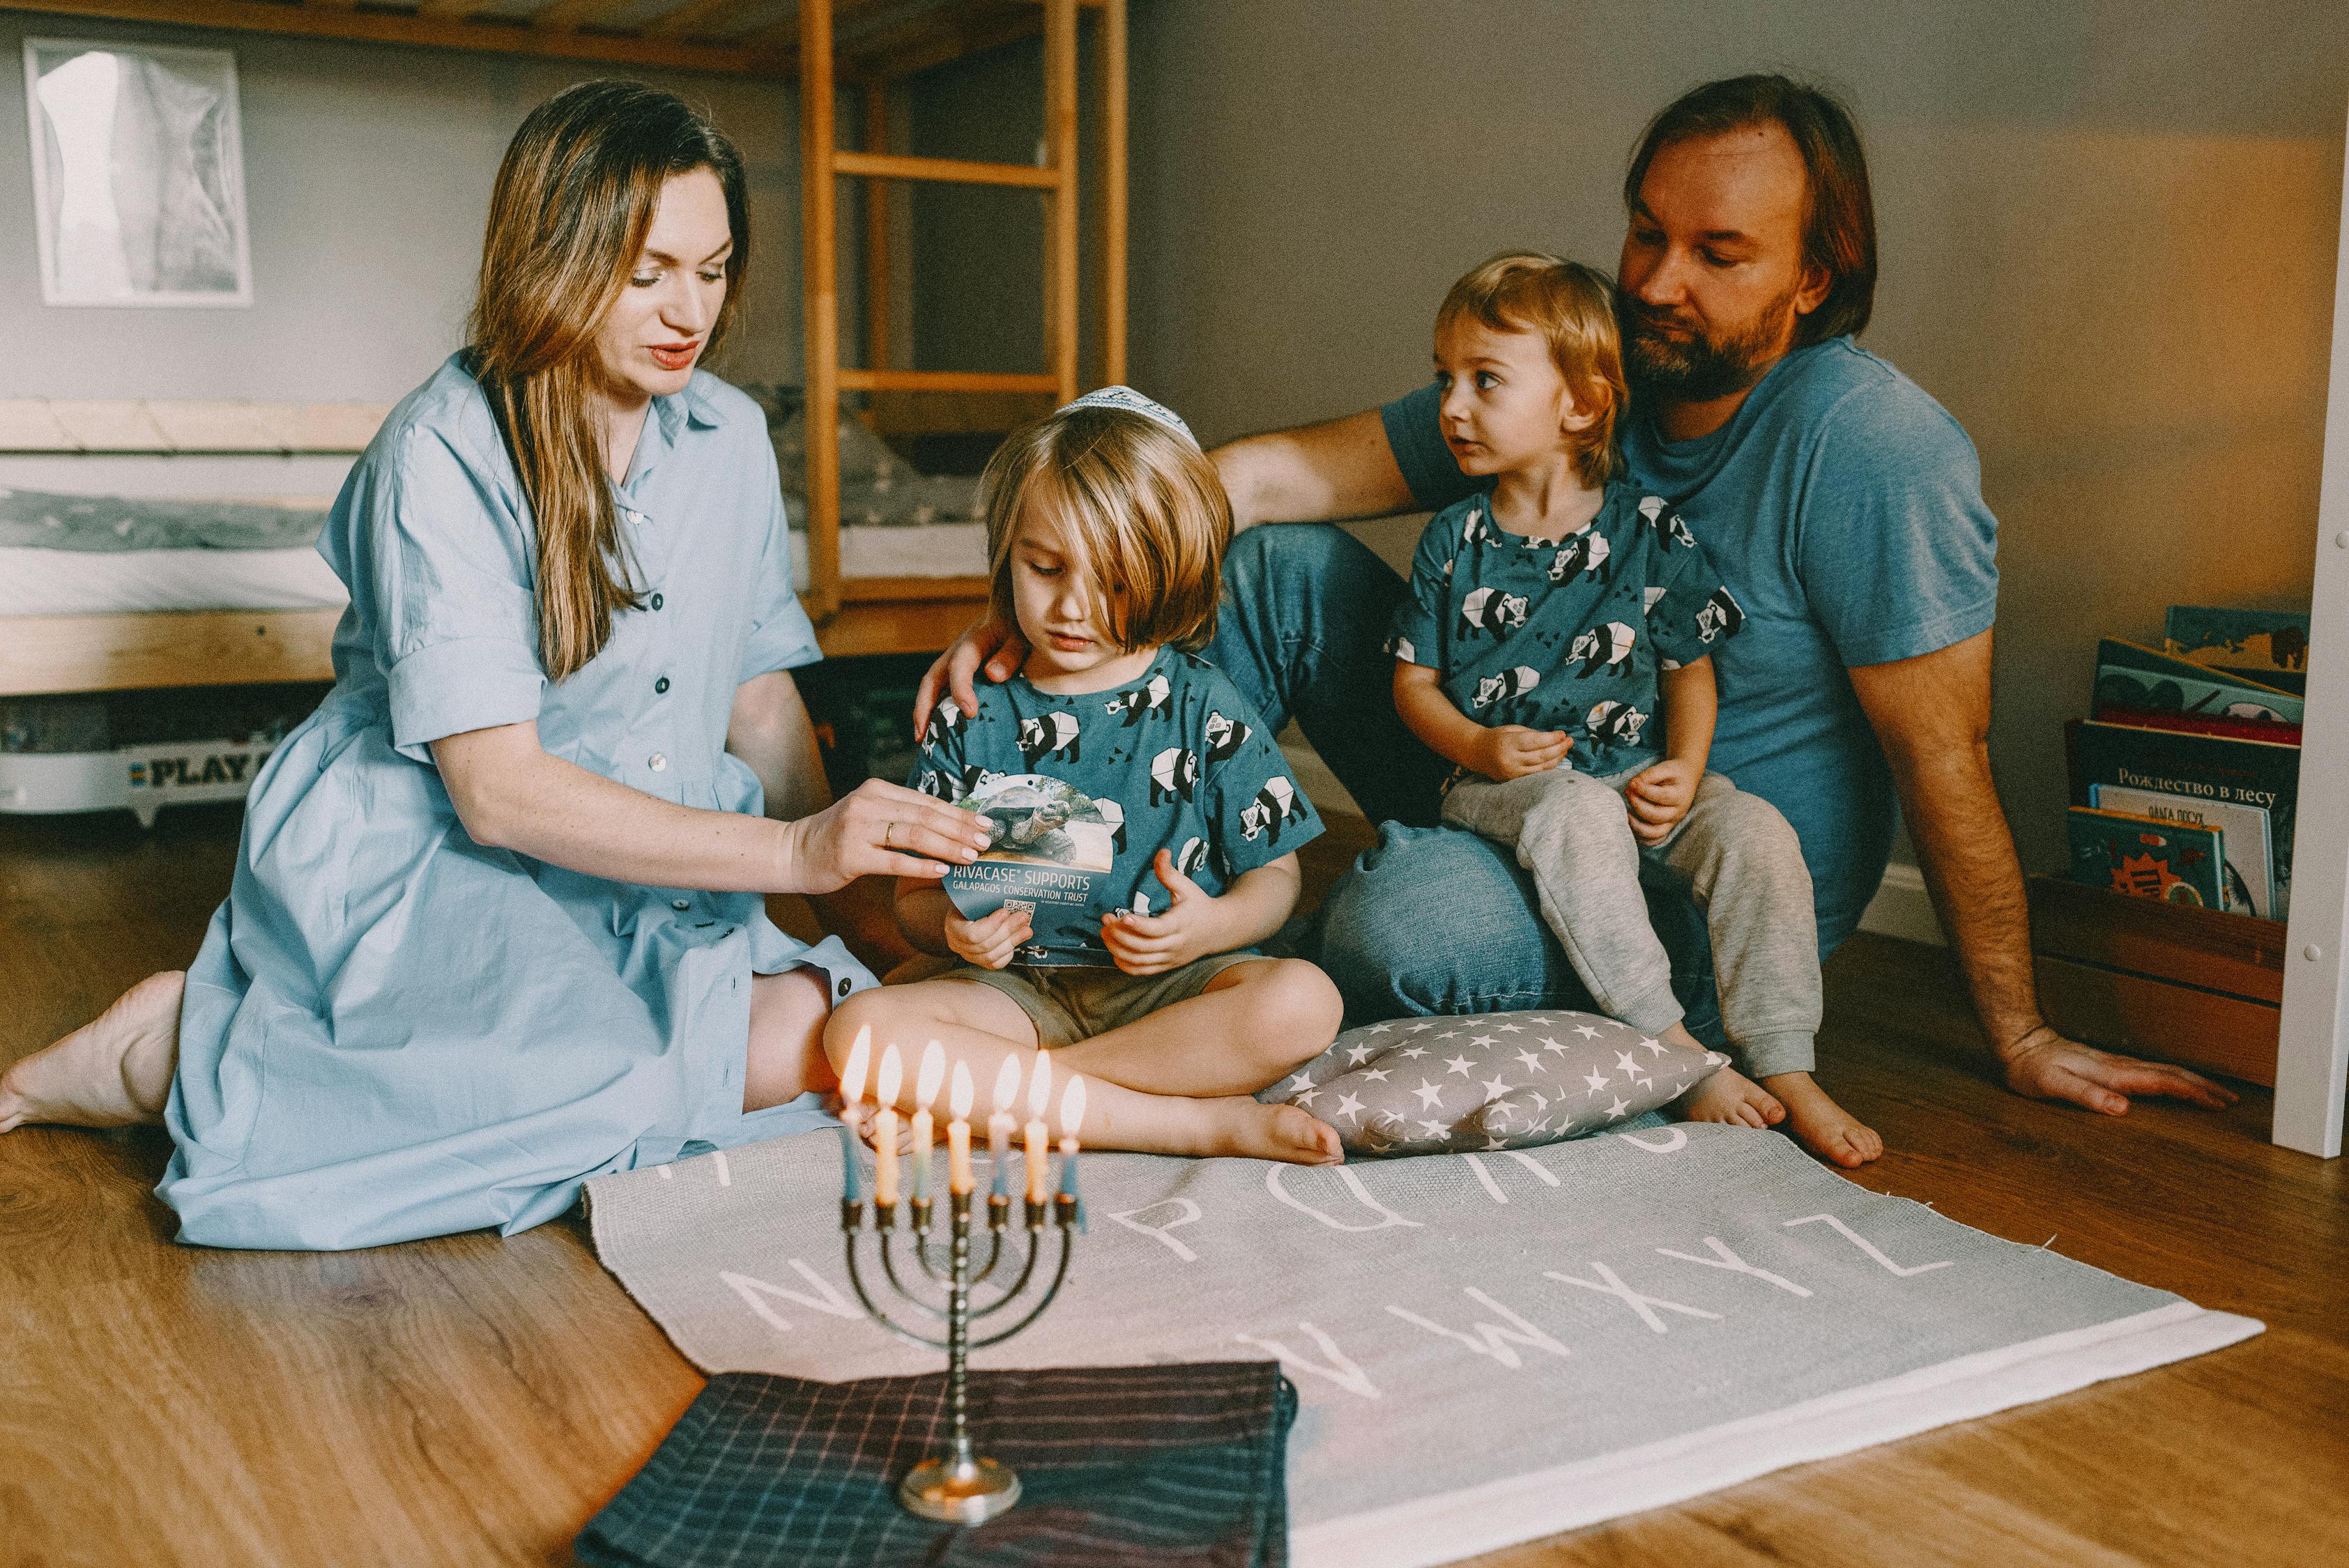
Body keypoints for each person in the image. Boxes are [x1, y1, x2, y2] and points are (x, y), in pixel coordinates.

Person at [917, 74, 2235, 1127]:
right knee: (1266, 572)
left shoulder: (1872, 447)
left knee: (1403, 918)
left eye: (1719, 253)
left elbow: (1944, 759)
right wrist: (1051, 600)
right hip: (1501, 786)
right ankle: (1069, 926)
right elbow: (1255, 479)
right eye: (1648, 232)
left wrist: (2018, 1030)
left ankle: (1265, 968)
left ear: (1814, 277)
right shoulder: (1575, 367)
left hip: (1676, 895)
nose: (1659, 282)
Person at [0, 82, 993, 1250]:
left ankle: (301, 1052)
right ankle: (185, 1046)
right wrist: (791, 851)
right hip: (445, 865)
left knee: (824, 1031)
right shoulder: (442, 450)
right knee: (659, 1079)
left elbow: (758, 702)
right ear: (558, 256)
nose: (692, 311)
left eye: (714, 270)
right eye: (650, 272)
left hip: (657, 859)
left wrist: (843, 903)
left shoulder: (725, 438)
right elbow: (499, 793)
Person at [1393, 252, 1874, 1162]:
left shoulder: (1647, 530)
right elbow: (1411, 683)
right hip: (1499, 789)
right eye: (1443, 379)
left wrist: (1686, 769)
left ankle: (1783, 1059)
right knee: (1574, 811)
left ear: (1579, 403)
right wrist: (1478, 745)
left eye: (1483, 380)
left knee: (1755, 830)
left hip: (1632, 779)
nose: (1450, 406)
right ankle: (1669, 1046)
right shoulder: (1452, 541)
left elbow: (1689, 667)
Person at [829, 390, 1344, 1164]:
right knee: (859, 1029)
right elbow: (913, 902)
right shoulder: (973, 710)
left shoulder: (1206, 704)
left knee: (1305, 1003)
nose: (1072, 606)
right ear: (1009, 552)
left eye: (1115, 580)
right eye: (1044, 567)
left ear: (1171, 570)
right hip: (1020, 995)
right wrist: (954, 932)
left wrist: (1213, 926)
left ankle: (1002, 1099)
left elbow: (1276, 877)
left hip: (1173, 993)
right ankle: (1195, 1125)